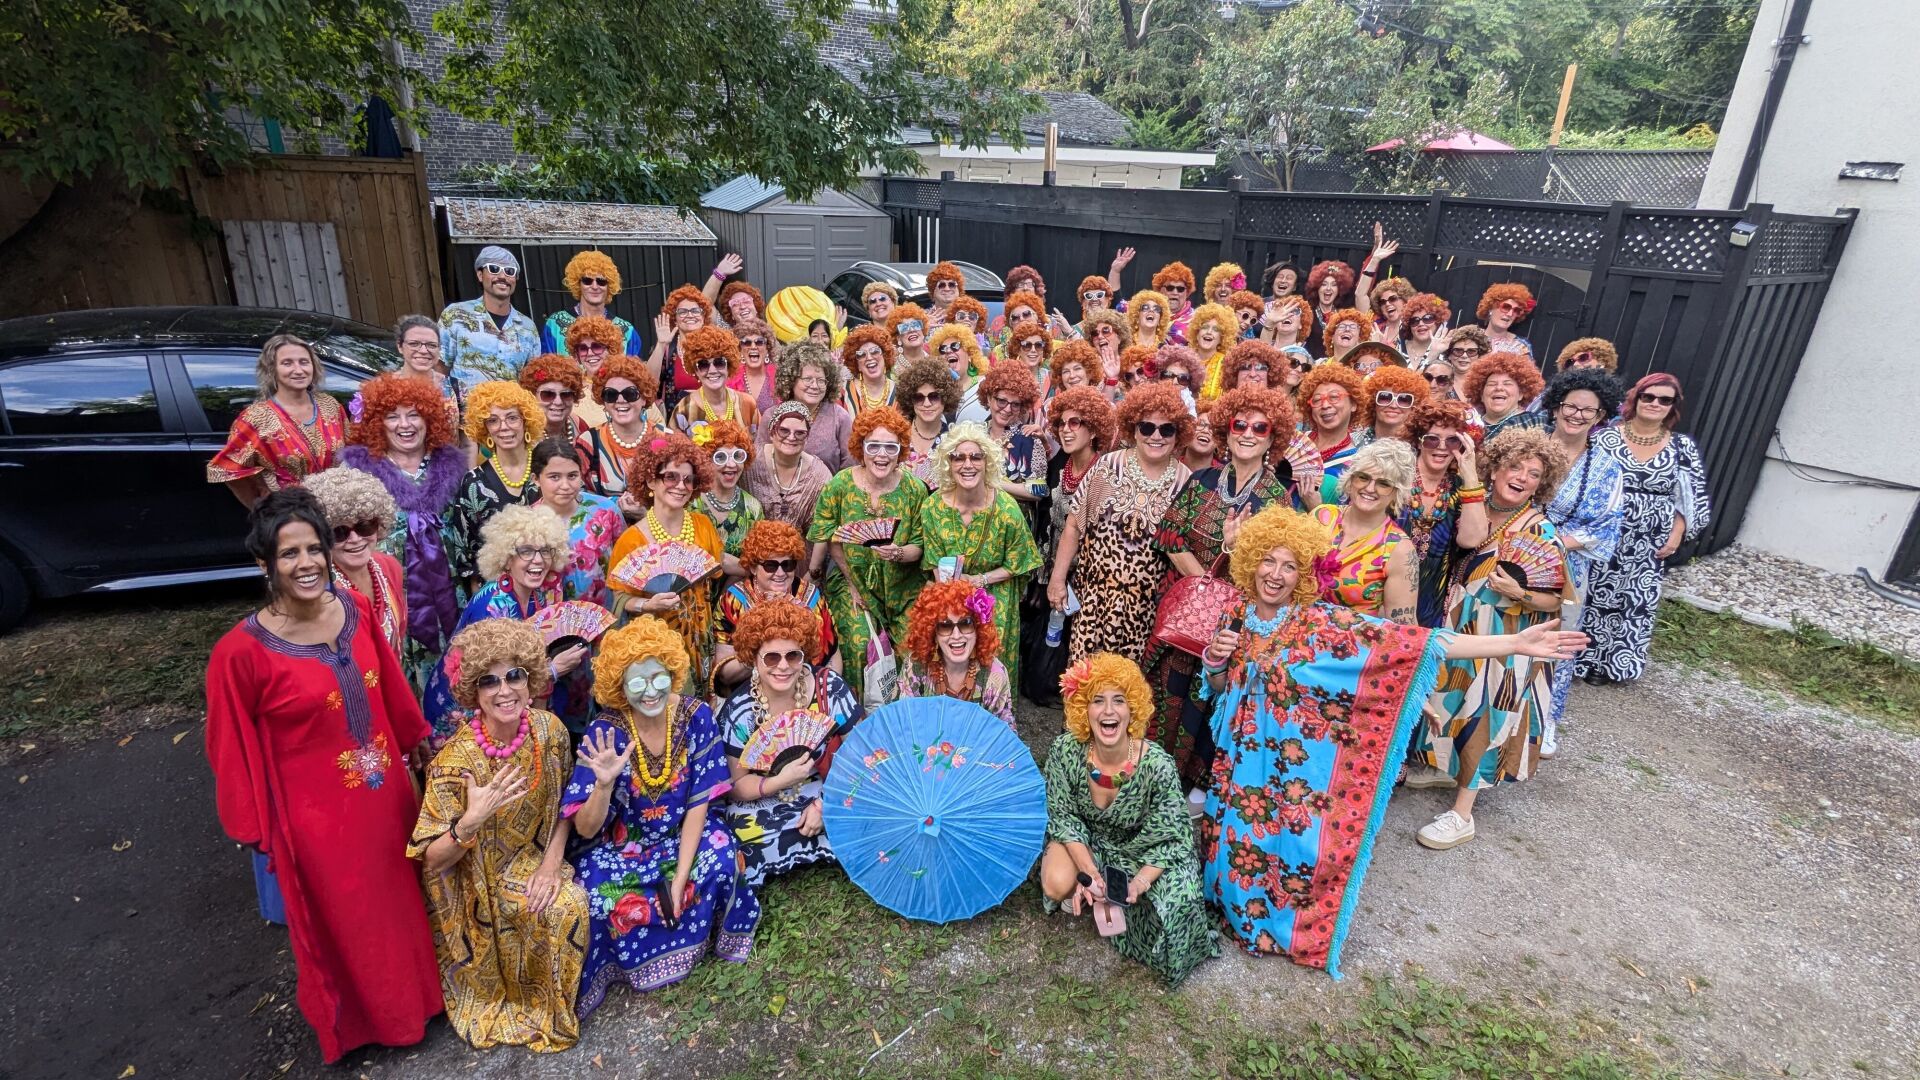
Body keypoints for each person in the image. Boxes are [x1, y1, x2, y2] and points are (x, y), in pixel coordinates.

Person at [1195, 506, 1586, 971]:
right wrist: (1216, 661)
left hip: (1287, 768)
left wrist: (1513, 644)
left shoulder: (1320, 624)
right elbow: (1220, 688)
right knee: (1234, 837)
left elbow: (1417, 643)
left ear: (1304, 573)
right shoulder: (1235, 611)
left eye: (1289, 565)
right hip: (1236, 760)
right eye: (1268, 561)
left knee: (1287, 845)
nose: (1275, 575)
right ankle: (1229, 909)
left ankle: (1275, 925)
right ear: (1251, 561)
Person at [204, 489, 442, 1062]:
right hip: (318, 821)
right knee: (354, 924)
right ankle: (377, 1024)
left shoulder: (352, 609)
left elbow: (388, 683)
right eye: (289, 554)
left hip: (386, 795)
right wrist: (258, 828)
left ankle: (429, 1001)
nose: (306, 562)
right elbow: (229, 748)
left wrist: (418, 744)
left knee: (407, 902)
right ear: (265, 564)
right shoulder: (240, 655)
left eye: (314, 548)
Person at [410, 618, 589, 1052]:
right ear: (474, 691)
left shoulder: (549, 731)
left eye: (515, 675)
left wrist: (550, 863)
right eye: (489, 681)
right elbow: (431, 860)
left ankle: (551, 1009)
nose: (504, 690)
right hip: (474, 884)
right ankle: (515, 1000)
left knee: (566, 903)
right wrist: (471, 820)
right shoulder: (455, 763)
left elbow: (567, 804)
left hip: (534, 858)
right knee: (557, 906)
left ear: (531, 680)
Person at [565, 618, 747, 1015]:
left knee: (721, 857)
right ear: (618, 685)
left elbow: (700, 802)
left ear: (672, 672)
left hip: (684, 832)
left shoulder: (696, 715)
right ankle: (625, 964)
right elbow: (586, 827)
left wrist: (681, 877)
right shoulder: (603, 733)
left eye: (658, 677)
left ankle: (708, 933)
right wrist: (603, 784)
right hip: (623, 843)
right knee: (594, 891)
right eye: (636, 682)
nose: (651, 691)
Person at [1410, 429, 1573, 849]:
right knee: (1449, 697)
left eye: (1534, 473)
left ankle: (1463, 813)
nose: (1521, 477)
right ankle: (1443, 767)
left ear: (1544, 483)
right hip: (1462, 620)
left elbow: (1556, 595)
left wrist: (1521, 593)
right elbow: (1468, 540)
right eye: (1514, 466)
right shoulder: (1477, 507)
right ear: (1495, 468)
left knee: (1486, 712)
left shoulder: (1540, 530)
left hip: (1509, 631)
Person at [1142, 386, 1300, 793]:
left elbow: (1277, 572)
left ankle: (1199, 788)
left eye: (1260, 427)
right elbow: (1169, 536)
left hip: (1237, 622)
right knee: (1168, 694)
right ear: (1226, 431)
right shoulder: (1202, 480)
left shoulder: (1277, 498)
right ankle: (1156, 778)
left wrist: (1229, 573)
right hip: (1188, 612)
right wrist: (1204, 586)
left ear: (1272, 437)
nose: (1248, 433)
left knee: (1215, 700)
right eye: (1239, 424)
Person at [1039, 654, 1217, 986]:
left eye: (1118, 701)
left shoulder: (1157, 765)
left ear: (1132, 709)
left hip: (1140, 848)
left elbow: (1174, 837)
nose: (1108, 711)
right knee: (1055, 882)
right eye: (1098, 701)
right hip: (1086, 841)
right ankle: (1087, 889)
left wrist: (1139, 884)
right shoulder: (1065, 750)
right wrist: (1088, 869)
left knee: (1177, 905)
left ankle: (1115, 898)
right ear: (1083, 710)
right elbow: (1062, 815)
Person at [718, 599, 862, 944]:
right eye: (771, 657)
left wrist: (827, 804)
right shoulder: (740, 710)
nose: (783, 666)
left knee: (869, 806)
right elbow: (737, 785)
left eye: (793, 656)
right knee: (738, 827)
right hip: (767, 796)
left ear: (805, 654)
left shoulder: (830, 688)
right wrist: (777, 782)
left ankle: (826, 827)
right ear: (754, 657)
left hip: (831, 789)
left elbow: (862, 754)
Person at [1580, 374, 1711, 686]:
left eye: (1665, 400)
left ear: (1673, 407)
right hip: (1604, 532)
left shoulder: (1682, 447)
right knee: (1594, 595)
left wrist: (1677, 533)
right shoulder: (1603, 438)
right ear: (1635, 399)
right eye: (1648, 397)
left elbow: (1691, 497)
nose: (1655, 404)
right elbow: (1584, 484)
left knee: (1634, 598)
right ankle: (1580, 661)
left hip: (1649, 539)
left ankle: (1614, 666)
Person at [1047, 383, 1191, 665]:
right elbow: (1074, 526)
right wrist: (1057, 579)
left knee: (1129, 696)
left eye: (1167, 429)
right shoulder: (1108, 467)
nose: (1156, 436)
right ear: (1133, 428)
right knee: (1084, 686)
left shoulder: (1185, 483)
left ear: (1179, 434)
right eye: (1147, 427)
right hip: (1093, 602)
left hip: (1145, 613)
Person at [342, 373, 465, 693]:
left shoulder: (453, 465)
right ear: (376, 423)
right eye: (392, 416)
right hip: (388, 593)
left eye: (413, 414)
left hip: (449, 592)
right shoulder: (357, 471)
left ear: (429, 418)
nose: (404, 425)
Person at [424, 504, 588, 735]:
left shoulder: (537, 596)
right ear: (507, 558)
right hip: (463, 713)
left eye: (545, 551)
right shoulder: (492, 605)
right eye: (526, 551)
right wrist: (552, 670)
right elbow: (494, 679)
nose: (538, 560)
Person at [806, 404, 927, 703]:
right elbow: (830, 536)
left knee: (913, 648)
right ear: (861, 447)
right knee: (861, 643)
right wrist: (845, 581)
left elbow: (921, 547)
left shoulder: (914, 490)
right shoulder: (840, 485)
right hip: (852, 580)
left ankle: (904, 717)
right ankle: (859, 718)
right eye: (874, 446)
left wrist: (898, 553)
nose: (881, 455)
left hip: (903, 585)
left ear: (901, 449)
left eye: (890, 446)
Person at [1538, 369, 1625, 754]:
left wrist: (1557, 542)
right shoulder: (1530, 445)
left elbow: (1607, 522)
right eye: (1570, 405)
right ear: (1555, 407)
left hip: (1568, 562)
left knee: (1560, 638)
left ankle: (1546, 719)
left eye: (1588, 410)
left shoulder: (1606, 466)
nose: (1576, 414)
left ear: (1600, 416)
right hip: (1511, 550)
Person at [918, 423, 1044, 688]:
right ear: (948, 464)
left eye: (976, 456)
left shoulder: (1007, 509)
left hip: (994, 592)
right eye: (958, 457)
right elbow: (934, 564)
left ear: (988, 462)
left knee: (989, 665)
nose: (968, 464)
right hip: (949, 591)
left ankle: (996, 716)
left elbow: (1019, 562)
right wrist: (955, 592)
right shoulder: (931, 508)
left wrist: (980, 581)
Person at [608, 433, 726, 696]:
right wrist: (647, 604)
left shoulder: (703, 526)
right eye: (670, 477)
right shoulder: (631, 539)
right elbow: (618, 598)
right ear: (651, 479)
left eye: (688, 479)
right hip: (657, 643)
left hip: (701, 639)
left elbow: (714, 573)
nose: (680, 486)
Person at [207, 334, 349, 508]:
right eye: (287, 363)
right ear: (271, 369)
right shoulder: (256, 418)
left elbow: (351, 453)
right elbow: (227, 470)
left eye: (304, 362)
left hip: (337, 511)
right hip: (292, 515)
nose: (298, 370)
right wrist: (262, 509)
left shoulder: (330, 406)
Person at [715, 521, 839, 695]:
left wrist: (825, 695)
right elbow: (724, 674)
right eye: (770, 565)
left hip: (806, 691)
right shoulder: (734, 600)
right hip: (753, 697)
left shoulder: (810, 596)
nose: (780, 573)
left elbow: (832, 655)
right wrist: (762, 645)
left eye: (787, 565)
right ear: (753, 567)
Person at [449, 381, 546, 598]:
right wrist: (481, 604)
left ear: (525, 421)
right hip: (498, 596)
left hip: (549, 591)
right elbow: (467, 557)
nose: (504, 427)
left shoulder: (548, 470)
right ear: (485, 428)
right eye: (493, 420)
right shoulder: (473, 483)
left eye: (512, 417)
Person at [1397, 400, 1489, 628]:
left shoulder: (1462, 487)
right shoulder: (1395, 477)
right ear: (1418, 441)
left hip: (1432, 598)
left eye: (1452, 440)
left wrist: (1469, 474)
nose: (1441, 446)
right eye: (1431, 438)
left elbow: (1471, 539)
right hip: (1382, 586)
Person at [302, 466, 407, 655]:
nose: (356, 539)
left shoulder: (389, 567)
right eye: (339, 532)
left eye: (365, 526)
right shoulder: (318, 588)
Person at [1313, 440, 1418, 622]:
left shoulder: (1398, 549)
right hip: (1294, 638)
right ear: (1351, 479)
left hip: (1351, 646)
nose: (1370, 488)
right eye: (1363, 477)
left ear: (1396, 493)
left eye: (1383, 484)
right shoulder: (1322, 516)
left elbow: (1402, 630)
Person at [898, 579, 1016, 727]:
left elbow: (1003, 737)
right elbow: (905, 724)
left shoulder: (995, 675)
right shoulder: (915, 666)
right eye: (945, 626)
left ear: (978, 629)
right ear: (933, 633)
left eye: (965, 623)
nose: (956, 635)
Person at [529, 439, 623, 611]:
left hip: (606, 615)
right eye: (554, 477)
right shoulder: (526, 523)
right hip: (553, 623)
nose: (565, 485)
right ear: (535, 479)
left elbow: (624, 560)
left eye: (572, 476)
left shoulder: (605, 511)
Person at [442, 246, 541, 386]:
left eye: (509, 271)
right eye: (494, 269)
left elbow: (532, 380)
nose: (502, 276)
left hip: (510, 406)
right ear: (480, 275)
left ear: (516, 279)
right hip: (466, 407)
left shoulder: (528, 327)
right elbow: (440, 368)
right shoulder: (456, 314)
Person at [577, 355, 668, 505]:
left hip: (657, 526)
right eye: (611, 394)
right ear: (603, 401)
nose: (620, 400)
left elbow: (680, 494)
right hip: (602, 526)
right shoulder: (588, 442)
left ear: (644, 397)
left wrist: (647, 514)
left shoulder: (666, 439)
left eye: (630, 394)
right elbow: (578, 496)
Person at [980, 360, 1048, 534]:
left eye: (1015, 404)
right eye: (1002, 401)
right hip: (977, 524)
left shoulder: (1029, 439)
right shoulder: (974, 434)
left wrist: (993, 483)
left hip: (1015, 529)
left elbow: (1039, 490)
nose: (1007, 409)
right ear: (989, 398)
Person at [745, 401, 834, 530]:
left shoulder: (819, 476)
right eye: (783, 431)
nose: (791, 438)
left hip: (800, 548)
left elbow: (822, 529)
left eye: (800, 433)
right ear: (772, 432)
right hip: (750, 546)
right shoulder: (750, 462)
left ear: (807, 437)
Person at [770, 342, 853, 473]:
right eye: (808, 379)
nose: (815, 386)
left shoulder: (840, 417)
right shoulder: (772, 415)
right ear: (791, 380)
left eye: (821, 380)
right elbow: (761, 462)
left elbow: (849, 468)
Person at [542, 250, 640, 356]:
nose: (594, 286)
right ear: (578, 284)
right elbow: (546, 367)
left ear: (609, 286)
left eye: (601, 281)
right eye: (587, 281)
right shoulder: (555, 324)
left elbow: (635, 370)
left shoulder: (626, 331)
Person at [1296, 361, 1367, 506]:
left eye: (1334, 397)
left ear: (1353, 404)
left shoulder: (1358, 463)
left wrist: (1316, 508)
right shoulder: (1294, 442)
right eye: (1317, 400)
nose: (1326, 405)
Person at [670, 326, 759, 437]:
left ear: (729, 365)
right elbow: (675, 451)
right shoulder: (683, 409)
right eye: (703, 365)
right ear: (695, 370)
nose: (712, 370)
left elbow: (759, 447)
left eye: (719, 362)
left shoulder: (747, 404)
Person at [693, 418, 762, 559]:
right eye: (720, 457)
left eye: (738, 456)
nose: (731, 464)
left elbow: (756, 561)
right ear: (705, 461)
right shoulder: (690, 501)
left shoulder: (753, 508)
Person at [647, 284, 717, 414]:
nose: (690, 315)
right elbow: (648, 382)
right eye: (683, 311)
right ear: (675, 318)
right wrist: (661, 345)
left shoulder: (716, 346)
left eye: (695, 311)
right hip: (675, 423)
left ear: (703, 316)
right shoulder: (667, 348)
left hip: (712, 419)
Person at [894, 354, 958, 486]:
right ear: (910, 400)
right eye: (919, 397)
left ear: (945, 398)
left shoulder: (955, 440)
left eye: (934, 397)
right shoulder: (897, 435)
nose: (927, 403)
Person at [394, 314, 465, 431]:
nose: (423, 351)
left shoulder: (456, 388)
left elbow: (468, 444)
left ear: (439, 349)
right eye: (414, 344)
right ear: (400, 346)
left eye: (431, 345)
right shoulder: (382, 389)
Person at [1459, 351, 1545, 443]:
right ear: (1481, 395)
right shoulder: (1467, 424)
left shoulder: (1535, 423)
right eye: (1492, 384)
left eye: (1507, 384)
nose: (1499, 388)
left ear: (1521, 394)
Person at [564, 315, 626, 430]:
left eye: (596, 346)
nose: (590, 353)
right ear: (576, 354)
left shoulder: (627, 382)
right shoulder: (571, 389)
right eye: (583, 348)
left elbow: (655, 421)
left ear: (611, 349)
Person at [519, 353, 589, 448]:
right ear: (532, 395)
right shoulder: (520, 432)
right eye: (548, 394)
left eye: (566, 394)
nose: (558, 402)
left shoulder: (579, 425)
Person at [1355, 364, 1428, 447]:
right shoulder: (1352, 442)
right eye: (1385, 397)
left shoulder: (1422, 447)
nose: (1393, 405)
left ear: (1414, 406)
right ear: (1372, 402)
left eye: (1404, 399)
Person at [930, 324, 989, 425]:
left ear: (970, 354)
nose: (948, 351)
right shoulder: (935, 390)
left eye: (955, 346)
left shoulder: (986, 386)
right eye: (943, 349)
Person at [840, 324, 897, 419]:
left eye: (875, 351)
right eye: (861, 354)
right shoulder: (842, 392)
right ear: (857, 364)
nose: (869, 358)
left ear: (885, 356)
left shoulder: (901, 393)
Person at [728, 318, 780, 417]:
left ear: (767, 348)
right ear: (740, 350)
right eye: (746, 343)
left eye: (759, 342)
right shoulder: (730, 377)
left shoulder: (780, 377)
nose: (753, 346)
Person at [1185, 304, 1237, 398]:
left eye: (1216, 329)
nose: (1209, 332)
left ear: (1222, 337)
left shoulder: (1227, 365)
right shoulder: (1184, 360)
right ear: (1197, 333)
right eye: (1205, 327)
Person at [1304, 260, 1356, 352]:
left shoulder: (1343, 315)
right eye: (1324, 284)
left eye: (1334, 285)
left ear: (1339, 289)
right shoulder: (1307, 313)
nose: (1328, 288)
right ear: (1317, 288)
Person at [1082, 309, 1132, 398]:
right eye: (1095, 333)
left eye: (1106, 331)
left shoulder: (1131, 365)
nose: (1100, 336)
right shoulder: (1087, 370)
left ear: (1120, 337)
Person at [1477, 283, 1536, 359]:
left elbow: (1527, 370)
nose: (1510, 314)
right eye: (1506, 307)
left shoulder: (1521, 345)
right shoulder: (1471, 338)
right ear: (1490, 308)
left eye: (1516, 310)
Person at [1401, 293, 1451, 368]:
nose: (1420, 324)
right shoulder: (1398, 348)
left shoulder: (1446, 354)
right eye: (1414, 321)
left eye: (1427, 318)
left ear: (1437, 321)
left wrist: (1433, 355)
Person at [1151, 262, 1196, 344]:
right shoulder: (1148, 311)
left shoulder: (1196, 319)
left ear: (1187, 292)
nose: (1175, 292)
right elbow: (1121, 307)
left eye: (1180, 289)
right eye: (1170, 288)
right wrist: (1118, 273)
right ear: (1160, 290)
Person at [1364, 277, 1416, 345]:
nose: (1387, 304)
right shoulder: (1373, 327)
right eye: (1382, 302)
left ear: (1405, 300)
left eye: (1393, 299)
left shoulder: (1414, 328)